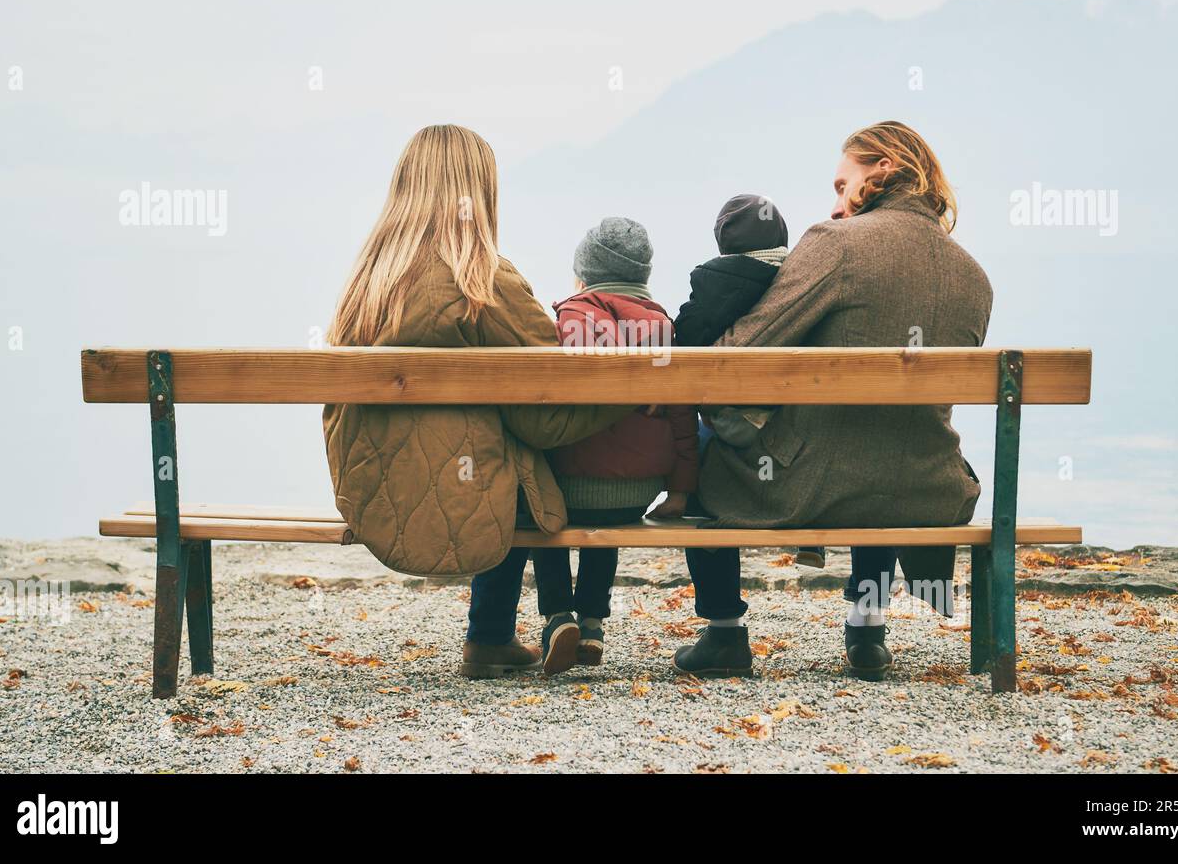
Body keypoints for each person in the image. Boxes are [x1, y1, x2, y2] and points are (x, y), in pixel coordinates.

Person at [672, 121, 993, 681]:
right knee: (881, 447)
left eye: (843, 186)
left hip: (814, 485)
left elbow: (736, 355)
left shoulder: (835, 245)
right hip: (926, 487)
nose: (838, 204)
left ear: (883, 170)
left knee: (704, 452)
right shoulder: (974, 276)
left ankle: (724, 632)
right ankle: (866, 629)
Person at [322, 124, 628, 678]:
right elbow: (546, 413)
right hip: (467, 495)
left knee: (480, 439)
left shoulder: (367, 284)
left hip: (371, 486)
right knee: (516, 453)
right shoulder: (484, 280)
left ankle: (491, 635)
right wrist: (623, 399)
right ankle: (501, 630)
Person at [535, 217, 699, 674]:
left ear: (583, 276)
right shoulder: (662, 326)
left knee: (543, 514)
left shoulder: (568, 319)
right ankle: (591, 623)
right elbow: (684, 416)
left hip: (565, 493)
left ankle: (557, 616)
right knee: (605, 518)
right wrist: (680, 489)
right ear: (641, 277)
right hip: (635, 493)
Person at [671, 194, 824, 568]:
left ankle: (724, 619)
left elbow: (687, 339)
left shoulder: (715, 281)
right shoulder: (801, 281)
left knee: (701, 472)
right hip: (794, 426)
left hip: (734, 422)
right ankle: (814, 538)